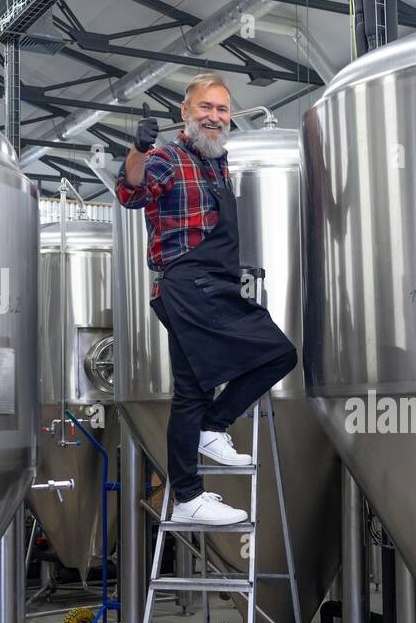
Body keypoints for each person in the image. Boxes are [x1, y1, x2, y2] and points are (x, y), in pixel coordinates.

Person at [116, 73, 296, 525]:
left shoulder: (218, 161)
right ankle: (213, 429)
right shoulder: (168, 158)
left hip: (212, 282)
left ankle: (188, 495)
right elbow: (130, 192)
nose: (214, 117)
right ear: (186, 111)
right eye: (205, 108)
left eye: (221, 109)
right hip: (189, 281)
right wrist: (137, 150)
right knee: (278, 353)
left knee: (190, 392)